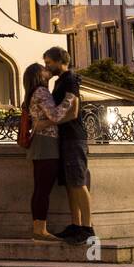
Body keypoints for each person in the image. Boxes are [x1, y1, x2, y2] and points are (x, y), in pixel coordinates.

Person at [22, 63, 80, 240]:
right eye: (44, 69)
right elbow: (55, 115)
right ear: (39, 75)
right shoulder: (41, 91)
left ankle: (38, 228)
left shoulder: (33, 92)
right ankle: (40, 230)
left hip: (40, 143)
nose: (48, 71)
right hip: (46, 143)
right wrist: (70, 99)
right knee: (43, 189)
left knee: (40, 187)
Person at [43, 46, 93, 242]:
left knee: (79, 183)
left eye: (49, 63)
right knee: (70, 184)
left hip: (74, 137)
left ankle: (87, 229)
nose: (47, 66)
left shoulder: (71, 79)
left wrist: (49, 122)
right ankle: (76, 224)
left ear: (59, 61)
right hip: (65, 138)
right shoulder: (60, 81)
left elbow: (73, 111)